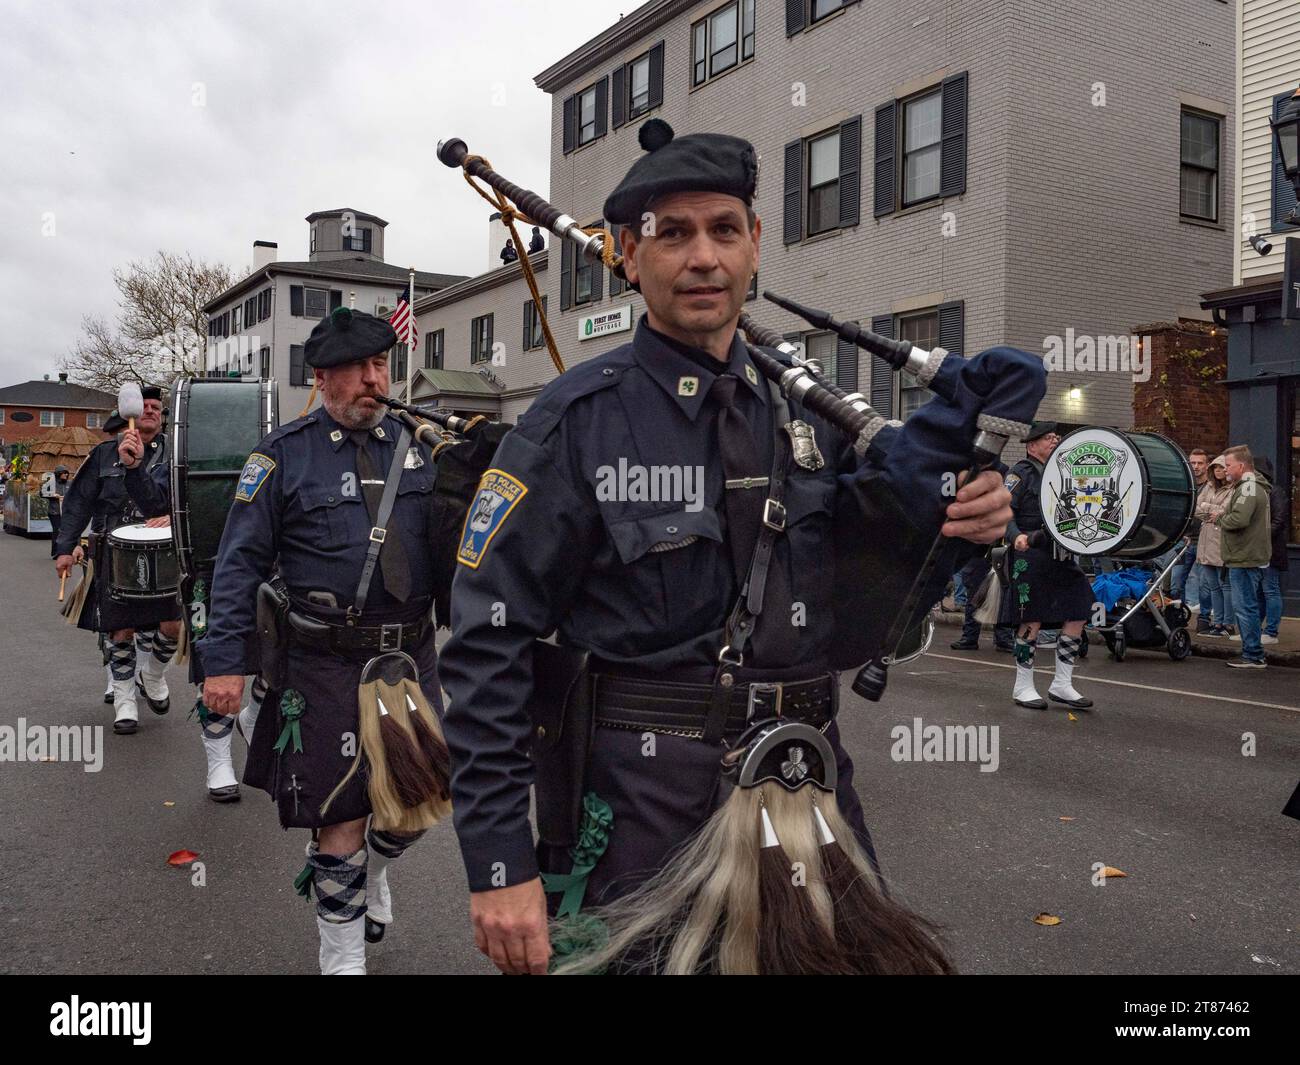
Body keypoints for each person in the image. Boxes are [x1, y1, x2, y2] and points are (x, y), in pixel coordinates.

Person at [437, 119, 1014, 975]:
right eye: (673, 234)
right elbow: (487, 646)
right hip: (643, 816)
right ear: (631, 258)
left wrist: (962, 523)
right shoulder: (572, 427)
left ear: (754, 249)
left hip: (809, 791)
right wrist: (498, 864)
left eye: (723, 230)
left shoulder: (808, 416)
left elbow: (862, 612)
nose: (701, 257)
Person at [198, 307, 451, 975]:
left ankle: (375, 872)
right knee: (339, 813)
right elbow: (237, 567)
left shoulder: (420, 446)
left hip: (409, 658)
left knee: (416, 806)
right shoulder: (279, 457)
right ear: (322, 378)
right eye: (358, 369)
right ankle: (341, 955)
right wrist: (222, 662)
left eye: (381, 366)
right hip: (323, 664)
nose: (375, 381)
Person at [54, 388, 180, 734]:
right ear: (131, 413)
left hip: (165, 554)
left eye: (157, 407)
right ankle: (124, 698)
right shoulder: (104, 454)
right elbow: (78, 501)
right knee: (119, 630)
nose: (152, 411)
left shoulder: (177, 454)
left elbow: (189, 500)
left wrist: (172, 515)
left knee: (173, 625)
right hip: (113, 550)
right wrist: (64, 547)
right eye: (146, 406)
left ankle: (152, 674)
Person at [1000, 422, 1095, 710]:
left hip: (1061, 553)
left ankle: (1062, 683)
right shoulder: (1020, 473)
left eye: (1056, 437)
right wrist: (1016, 537)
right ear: (1032, 445)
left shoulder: (1065, 471)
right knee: (1032, 617)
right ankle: (1023, 685)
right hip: (1032, 553)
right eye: (1048, 438)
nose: (1055, 441)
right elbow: (1004, 510)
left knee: (1079, 608)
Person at [1213, 445, 1271, 669]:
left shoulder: (1248, 488)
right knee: (1248, 606)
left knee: (1245, 607)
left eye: (1228, 465)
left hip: (1245, 557)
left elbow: (1239, 520)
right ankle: (1253, 653)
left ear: (1242, 465)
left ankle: (1253, 654)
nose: (1226, 469)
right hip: (1246, 555)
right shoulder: (1251, 486)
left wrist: (1218, 518)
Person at [1194, 455, 1235, 638]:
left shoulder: (1234, 488)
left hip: (1221, 540)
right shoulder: (1209, 486)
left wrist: (1208, 507)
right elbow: (1197, 509)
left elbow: (1227, 510)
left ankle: (1228, 624)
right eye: (1216, 468)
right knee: (1213, 586)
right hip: (1205, 539)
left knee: (1224, 585)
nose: (1218, 471)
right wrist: (1213, 510)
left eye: (1222, 467)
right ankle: (1217, 623)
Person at [1171, 447, 1209, 631]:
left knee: (1197, 581)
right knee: (1176, 581)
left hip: (1202, 541)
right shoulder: (1185, 484)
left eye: (1200, 463)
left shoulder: (1211, 486)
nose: (1196, 467)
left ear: (1207, 465)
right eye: (1192, 463)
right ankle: (1178, 621)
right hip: (1183, 540)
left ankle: (1198, 623)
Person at [949, 552, 1015, 651]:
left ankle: (1003, 639)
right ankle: (970, 637)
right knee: (975, 598)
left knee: (1001, 597)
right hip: (981, 555)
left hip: (997, 553)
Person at [1254, 457, 1287, 645]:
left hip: (1271, 550)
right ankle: (1255, 629)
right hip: (1258, 550)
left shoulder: (1275, 492)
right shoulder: (1260, 492)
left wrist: (1260, 536)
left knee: (1270, 590)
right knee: (1259, 591)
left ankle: (1271, 631)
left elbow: (1279, 520)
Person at [46, 465, 71, 557]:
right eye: (64, 473)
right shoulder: (51, 484)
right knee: (57, 530)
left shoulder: (70, 483)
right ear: (58, 474)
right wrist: (52, 495)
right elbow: (42, 493)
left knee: (67, 531)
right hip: (54, 511)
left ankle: (66, 550)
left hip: (67, 511)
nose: (66, 474)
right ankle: (56, 552)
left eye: (66, 473)